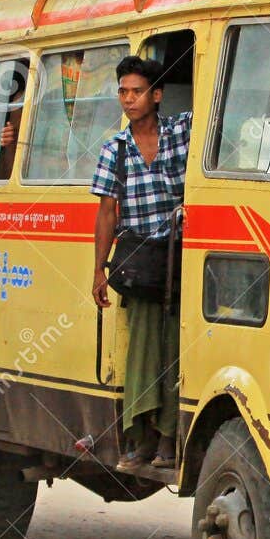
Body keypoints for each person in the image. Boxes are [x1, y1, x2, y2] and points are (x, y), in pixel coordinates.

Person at [90, 56, 192, 473]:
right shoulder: (114, 149)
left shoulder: (184, 130)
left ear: (157, 96)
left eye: (136, 92)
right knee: (143, 351)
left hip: (184, 258)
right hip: (140, 262)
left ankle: (171, 436)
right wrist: (99, 269)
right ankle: (140, 436)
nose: (129, 99)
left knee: (177, 348)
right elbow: (107, 212)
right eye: (123, 92)